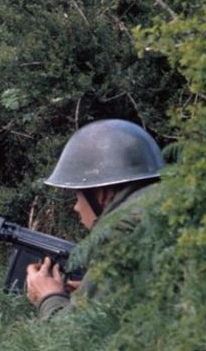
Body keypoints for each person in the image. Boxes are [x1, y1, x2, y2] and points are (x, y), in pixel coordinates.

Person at [26, 119, 164, 319]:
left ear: (101, 194)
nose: (75, 207)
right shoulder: (167, 204)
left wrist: (48, 296)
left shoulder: (120, 233)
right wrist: (91, 290)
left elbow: (74, 336)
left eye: (78, 196)